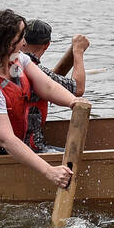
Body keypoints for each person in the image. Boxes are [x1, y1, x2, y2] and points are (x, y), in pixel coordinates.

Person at [0, 9, 82, 189]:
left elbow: (47, 86)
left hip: (13, 148)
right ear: (7, 44)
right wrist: (49, 172)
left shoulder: (17, 59)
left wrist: (74, 102)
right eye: (21, 37)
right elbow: (5, 139)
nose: (24, 42)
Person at [19, 18, 89, 151]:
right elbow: (77, 89)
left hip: (8, 144)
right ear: (47, 45)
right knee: (84, 157)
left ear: (22, 40)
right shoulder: (33, 69)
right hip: (31, 148)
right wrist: (78, 51)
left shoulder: (9, 64)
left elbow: (48, 84)